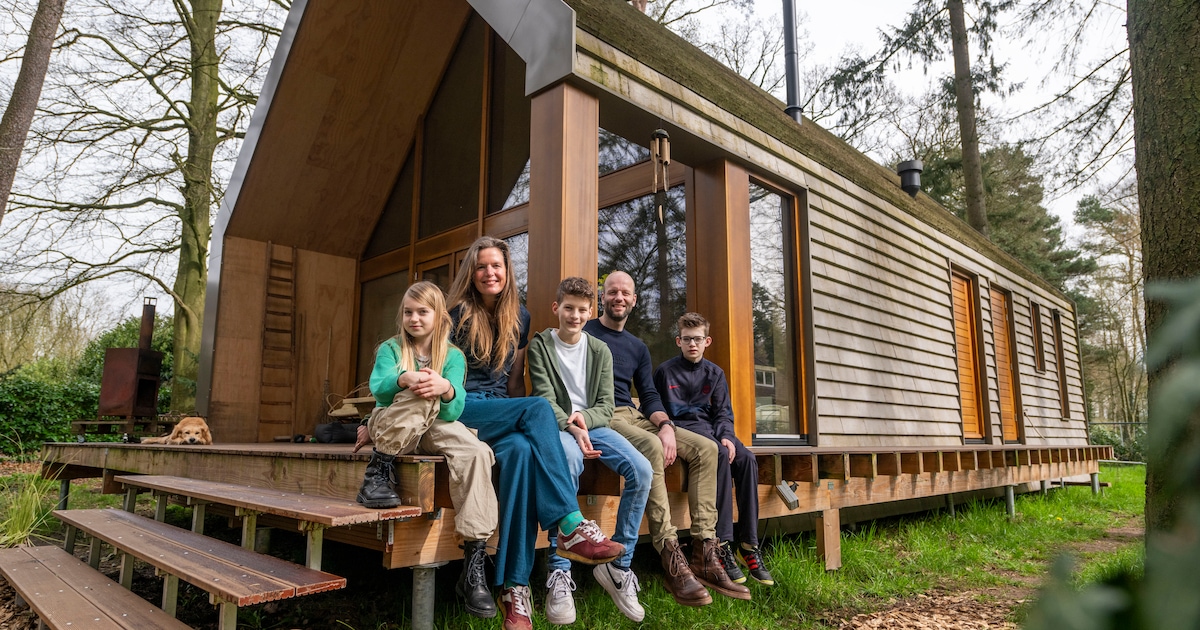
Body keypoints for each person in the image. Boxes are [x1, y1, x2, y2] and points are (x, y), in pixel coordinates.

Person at [448, 236, 624, 630]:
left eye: (497, 266)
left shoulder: (521, 317)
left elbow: (513, 382)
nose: (489, 273)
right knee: (540, 406)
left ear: (508, 272)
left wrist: (524, 423)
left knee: (523, 455)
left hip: (500, 409)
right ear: (471, 273)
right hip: (462, 407)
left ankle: (514, 589)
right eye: (481, 266)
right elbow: (428, 364)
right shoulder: (455, 313)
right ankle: (570, 523)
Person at [584, 271, 750, 603]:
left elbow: (648, 395)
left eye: (625, 293)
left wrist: (665, 425)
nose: (618, 297)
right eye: (612, 291)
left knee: (707, 448)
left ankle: (705, 548)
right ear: (603, 297)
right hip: (602, 414)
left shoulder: (637, 346)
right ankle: (669, 551)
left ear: (634, 299)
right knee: (651, 447)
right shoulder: (586, 332)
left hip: (635, 414)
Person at [357, 281, 500, 617]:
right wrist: (404, 379)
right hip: (394, 425)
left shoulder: (452, 356)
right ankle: (376, 475)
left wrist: (448, 388)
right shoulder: (391, 349)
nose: (415, 318)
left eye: (423, 312)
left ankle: (474, 561)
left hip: (436, 424)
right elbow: (378, 389)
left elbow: (453, 411)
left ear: (439, 317)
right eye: (408, 312)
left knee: (477, 452)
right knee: (420, 392)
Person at [527, 277, 653, 624]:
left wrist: (584, 419)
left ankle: (618, 566)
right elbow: (543, 399)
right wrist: (570, 425)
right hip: (558, 426)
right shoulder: (542, 346)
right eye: (569, 308)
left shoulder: (600, 350)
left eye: (583, 310)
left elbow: (606, 405)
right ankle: (560, 571)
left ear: (590, 312)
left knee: (641, 470)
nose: (575, 316)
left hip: (595, 426)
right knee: (567, 458)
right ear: (557, 308)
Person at [654, 312, 775, 586]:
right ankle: (721, 545)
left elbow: (723, 413)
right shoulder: (664, 372)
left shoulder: (715, 373)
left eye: (697, 339)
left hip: (712, 430)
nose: (692, 344)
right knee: (718, 455)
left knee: (745, 459)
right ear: (678, 341)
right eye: (687, 339)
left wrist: (728, 436)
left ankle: (749, 544)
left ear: (707, 340)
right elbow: (657, 408)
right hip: (684, 431)